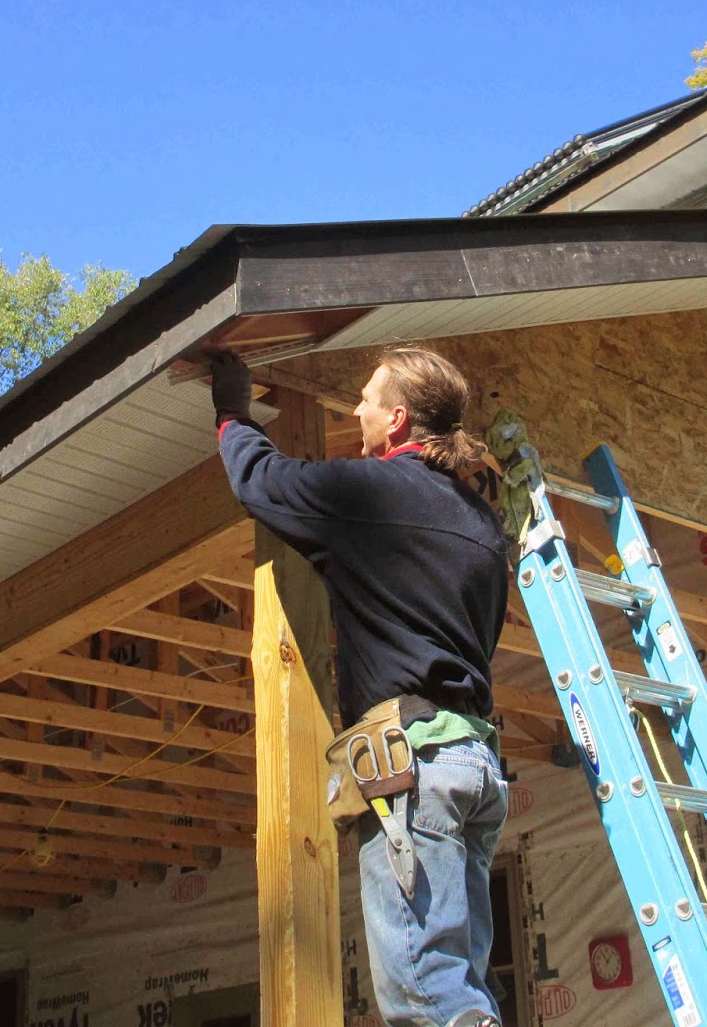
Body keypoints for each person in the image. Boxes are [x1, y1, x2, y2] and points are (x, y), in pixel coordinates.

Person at [211, 346, 510, 1027]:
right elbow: (482, 635)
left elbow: (262, 481)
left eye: (368, 399)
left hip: (416, 771)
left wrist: (232, 411)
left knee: (426, 997)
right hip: (475, 766)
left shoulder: (366, 495)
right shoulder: (482, 523)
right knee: (462, 984)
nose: (355, 410)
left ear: (398, 419)